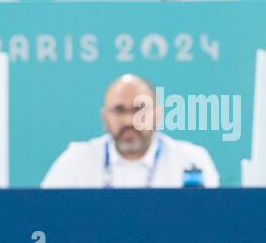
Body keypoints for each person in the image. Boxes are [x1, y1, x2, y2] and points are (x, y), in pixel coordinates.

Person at [42, 74, 220, 188]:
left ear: (157, 114)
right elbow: (44, 215)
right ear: (105, 117)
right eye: (119, 110)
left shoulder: (192, 160)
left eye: (139, 109)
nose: (129, 120)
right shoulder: (75, 161)